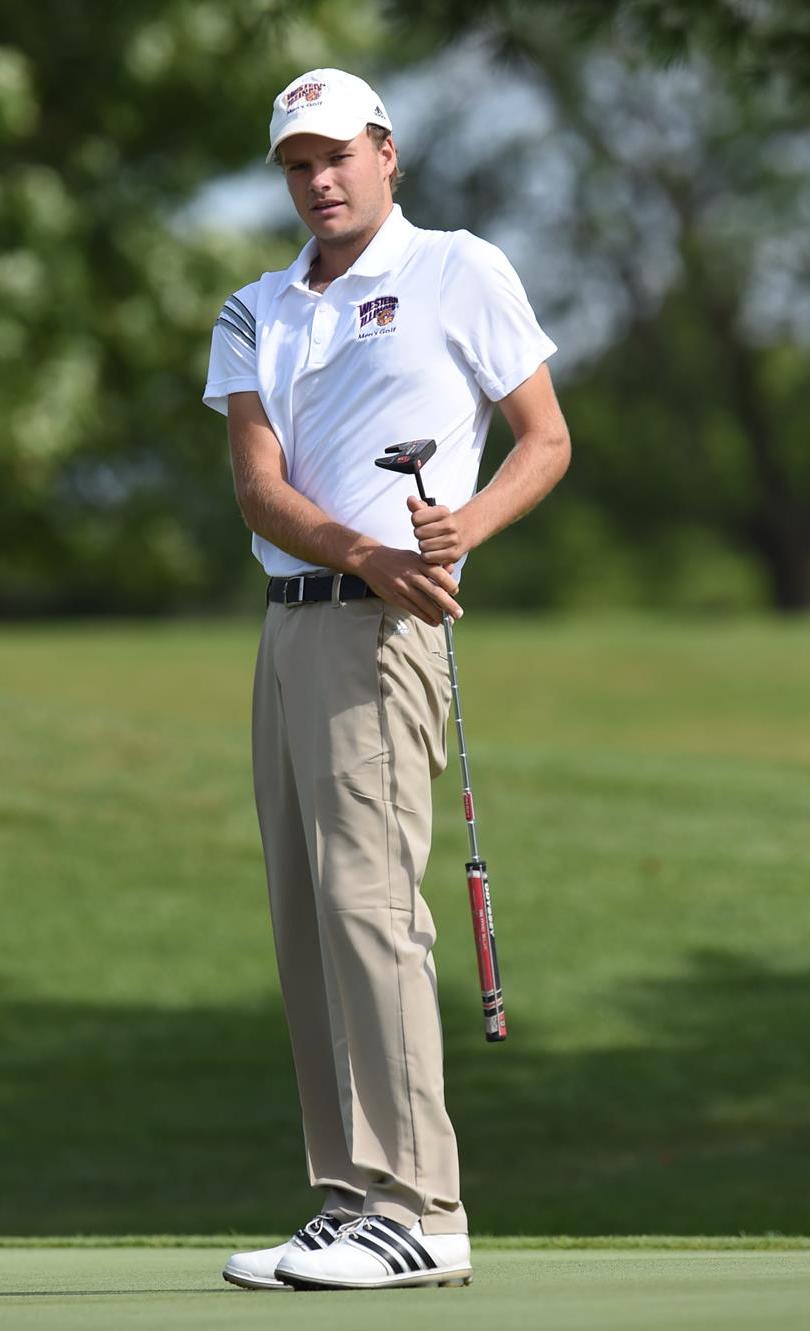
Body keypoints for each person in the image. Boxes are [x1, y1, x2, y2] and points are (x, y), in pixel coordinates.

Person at [203, 67, 570, 1291]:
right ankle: (351, 1192)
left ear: (385, 152)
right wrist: (356, 543)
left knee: (372, 908)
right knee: (307, 919)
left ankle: (425, 1202)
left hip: (382, 628)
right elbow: (258, 487)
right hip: (290, 623)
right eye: (296, 164)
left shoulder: (457, 269)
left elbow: (544, 436)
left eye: (335, 155)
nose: (317, 179)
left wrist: (462, 527)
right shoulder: (252, 306)